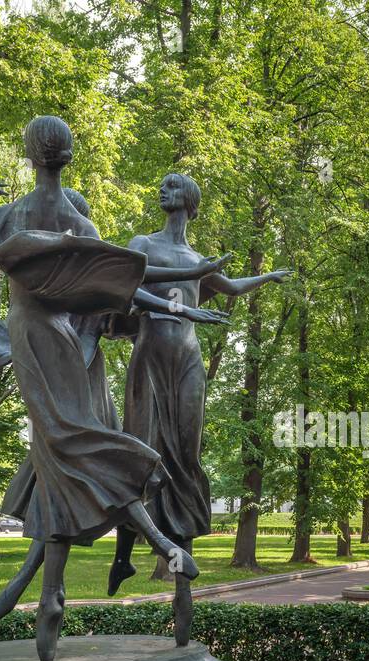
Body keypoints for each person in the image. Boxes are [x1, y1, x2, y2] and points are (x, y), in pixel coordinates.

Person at [0, 116, 226, 661]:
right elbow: (126, 281)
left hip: (34, 337)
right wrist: (184, 302)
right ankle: (155, 541)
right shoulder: (80, 223)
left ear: (29, 155)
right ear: (69, 155)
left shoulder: (8, 216)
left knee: (62, 448)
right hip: (76, 347)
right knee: (76, 443)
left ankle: (56, 588)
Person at [107, 172, 290, 596]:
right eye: (162, 184)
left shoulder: (196, 255)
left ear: (189, 200)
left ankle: (180, 552)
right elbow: (127, 283)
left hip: (188, 359)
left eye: (171, 186)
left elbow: (231, 287)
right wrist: (199, 272)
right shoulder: (143, 244)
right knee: (143, 451)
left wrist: (267, 277)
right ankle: (123, 557)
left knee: (186, 453)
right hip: (150, 352)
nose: (162, 189)